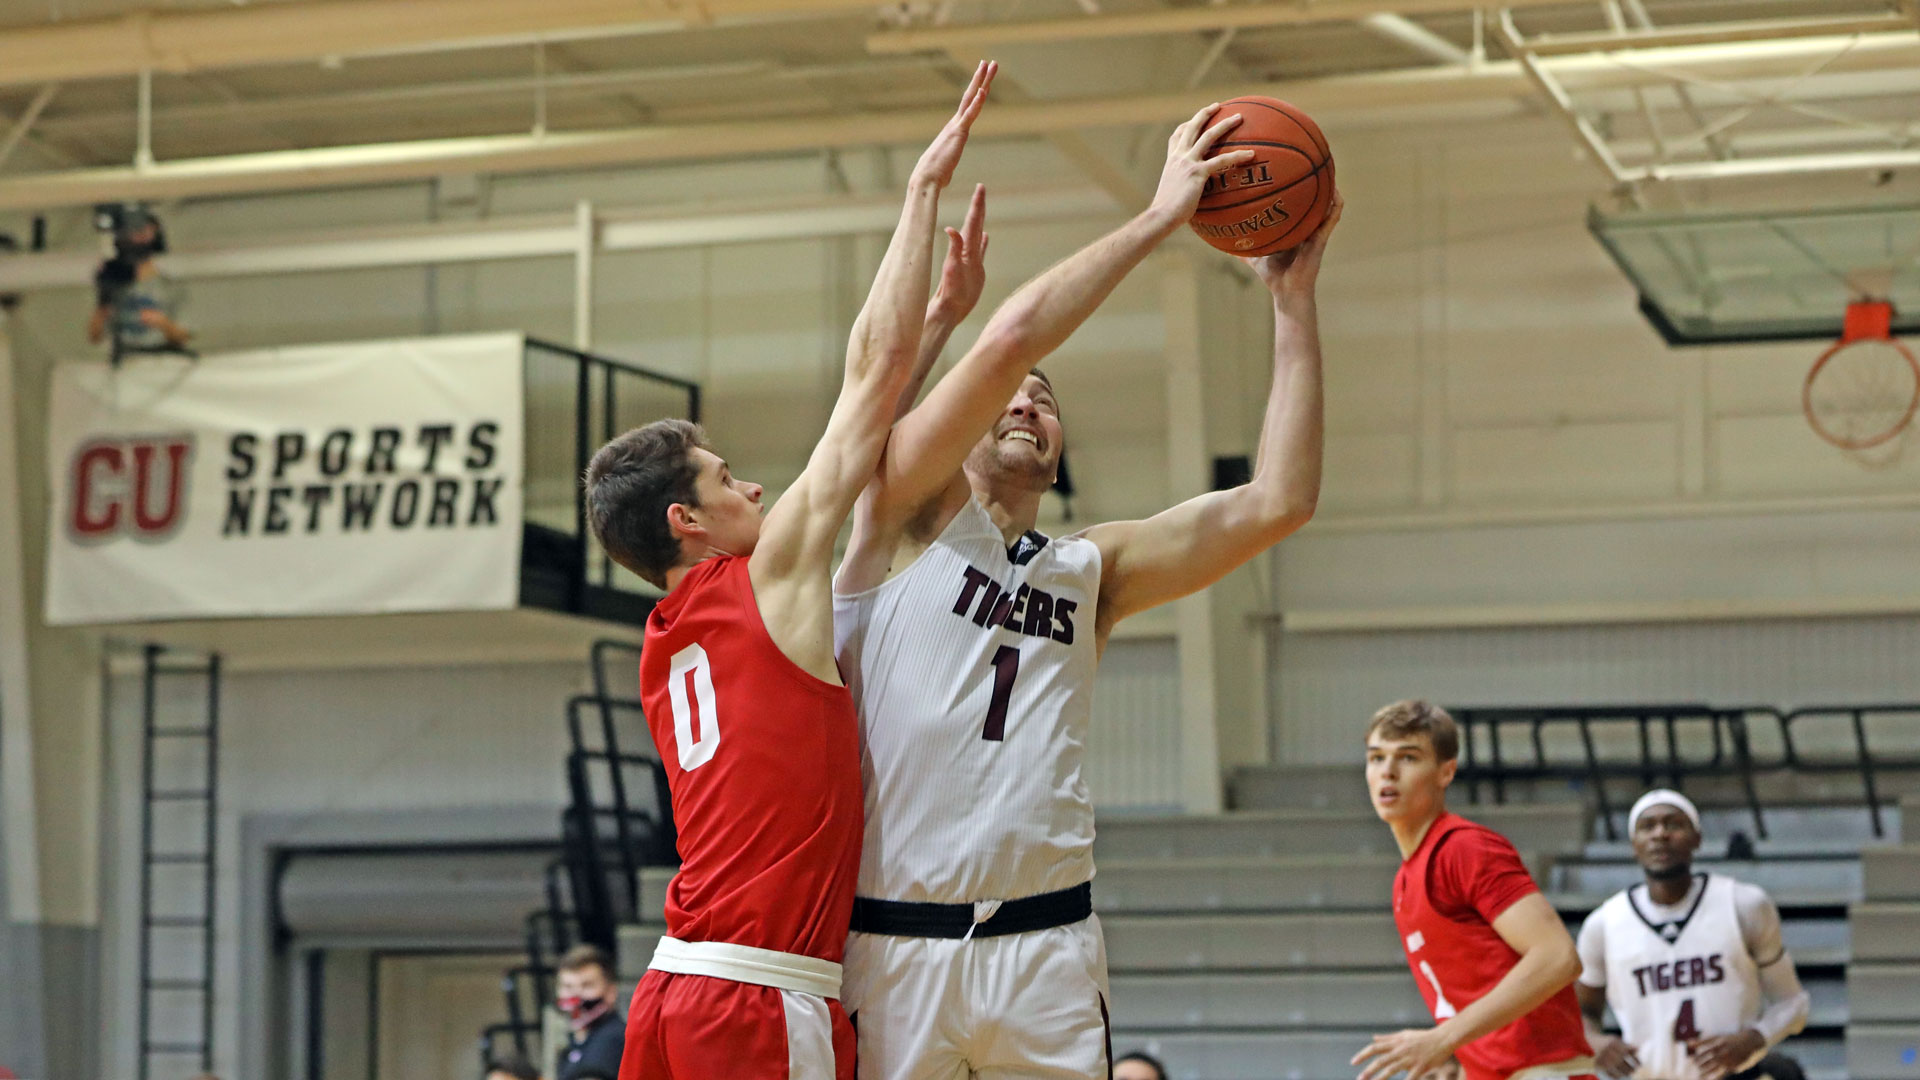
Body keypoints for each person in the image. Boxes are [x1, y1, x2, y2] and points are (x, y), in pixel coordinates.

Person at [833, 101, 1334, 1079]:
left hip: (1050, 951)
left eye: (1047, 400)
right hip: (896, 947)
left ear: (1059, 451)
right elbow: (952, 372)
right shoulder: (898, 525)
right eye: (1013, 392)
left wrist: (1292, 303)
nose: (1026, 399)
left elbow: (1281, 500)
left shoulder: (1089, 574)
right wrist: (1153, 221)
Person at [589, 61, 997, 1080]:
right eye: (729, 481)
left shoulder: (662, 638)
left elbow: (873, 424)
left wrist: (934, 328)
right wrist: (919, 196)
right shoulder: (764, 580)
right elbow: (866, 377)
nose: (758, 489)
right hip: (761, 993)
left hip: (672, 986)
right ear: (689, 522)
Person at [1357, 700, 1594, 1080]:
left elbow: (1559, 957)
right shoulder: (1405, 879)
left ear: (1445, 772)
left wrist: (1442, 1039)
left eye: (1408, 758)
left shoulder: (1464, 849)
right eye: (1376, 758)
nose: (1388, 772)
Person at [1576, 790, 1810, 1080]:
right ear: (1633, 845)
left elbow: (1793, 1004)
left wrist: (1755, 1037)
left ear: (1697, 838)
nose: (1660, 834)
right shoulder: (1603, 925)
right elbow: (1582, 1011)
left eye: (1673, 824)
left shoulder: (1743, 905)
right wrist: (1595, 1042)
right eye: (1647, 826)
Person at [87, 206, 191, 359]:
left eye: (143, 233)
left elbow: (184, 336)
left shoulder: (170, 286)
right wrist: (102, 310)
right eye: (132, 233)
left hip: (162, 361)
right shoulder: (113, 283)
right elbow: (94, 336)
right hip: (123, 363)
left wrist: (162, 323)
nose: (137, 238)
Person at [553, 945, 623, 1080]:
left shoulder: (613, 1040)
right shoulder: (575, 1042)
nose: (576, 995)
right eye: (568, 987)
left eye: (587, 986)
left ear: (611, 992)